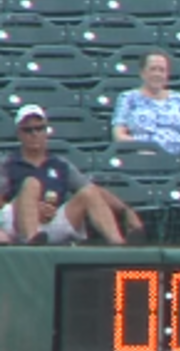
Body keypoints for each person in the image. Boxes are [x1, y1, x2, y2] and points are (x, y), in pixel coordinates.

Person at [1, 105, 142, 246]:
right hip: (17, 221)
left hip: (52, 219)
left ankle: (118, 244)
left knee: (89, 193)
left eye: (39, 128)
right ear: (19, 133)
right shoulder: (8, 163)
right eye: (28, 130)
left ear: (46, 131)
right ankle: (32, 241)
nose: (34, 134)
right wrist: (31, 208)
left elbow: (92, 189)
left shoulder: (59, 164)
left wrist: (125, 210)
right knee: (32, 183)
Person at [111, 50, 180, 155]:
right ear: (142, 73)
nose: (157, 74)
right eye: (153, 69)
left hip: (177, 158)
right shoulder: (128, 98)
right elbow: (118, 134)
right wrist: (142, 149)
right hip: (141, 157)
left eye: (162, 70)